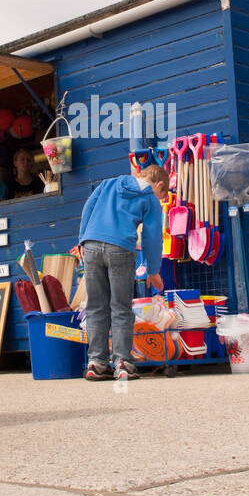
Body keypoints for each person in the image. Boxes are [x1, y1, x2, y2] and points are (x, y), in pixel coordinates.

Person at [78, 163, 168, 381]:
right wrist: (153, 270)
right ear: (160, 185)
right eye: (162, 195)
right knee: (120, 307)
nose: (160, 199)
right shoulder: (150, 198)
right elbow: (152, 236)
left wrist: (82, 240)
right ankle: (123, 363)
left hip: (90, 245)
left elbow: (88, 208)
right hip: (120, 249)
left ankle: (96, 363)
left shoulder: (109, 183)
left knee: (96, 306)